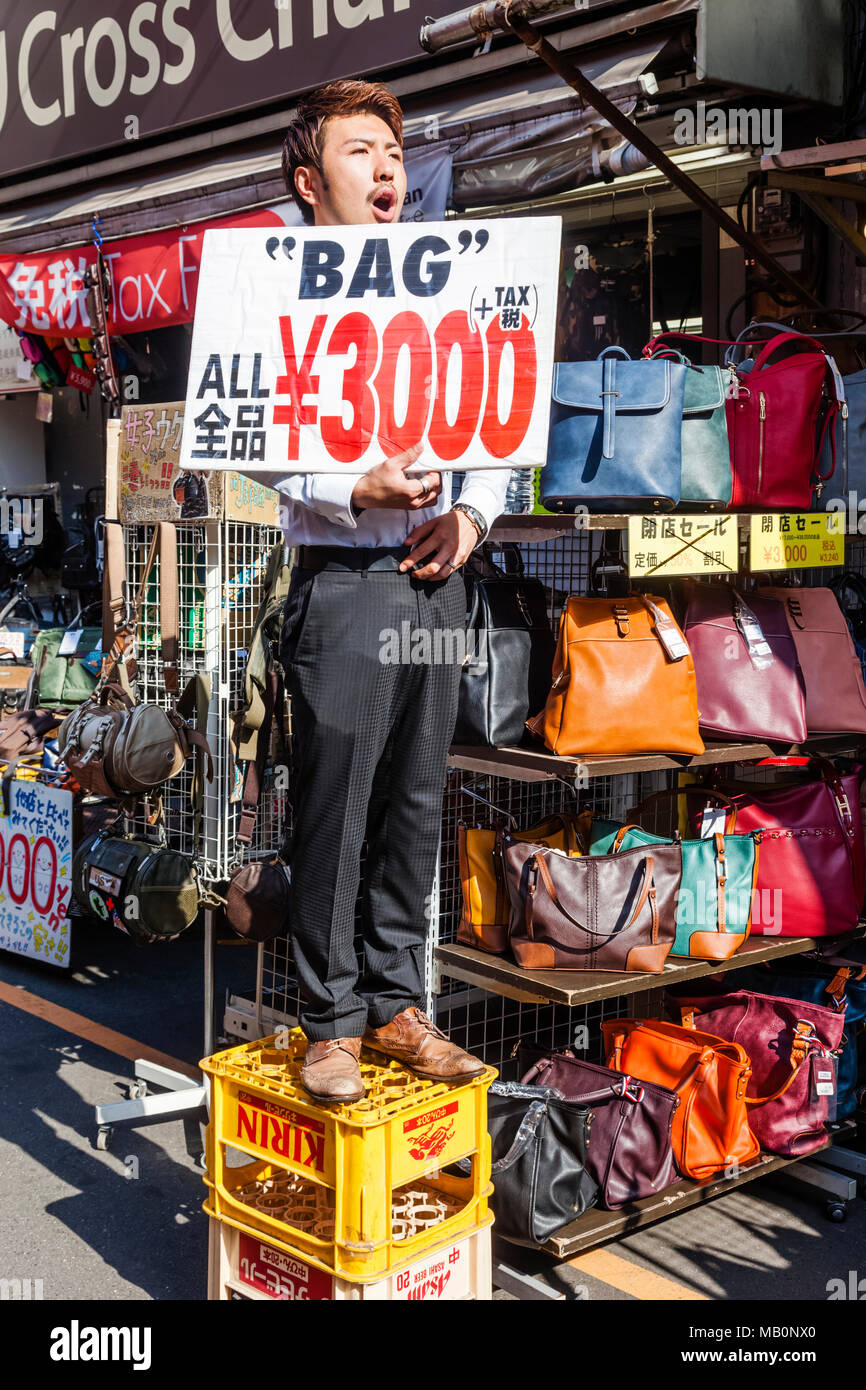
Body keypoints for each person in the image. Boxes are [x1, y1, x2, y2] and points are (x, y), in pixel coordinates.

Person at [263, 80, 509, 1103]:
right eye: (361, 152)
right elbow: (256, 438)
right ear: (308, 180)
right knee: (337, 805)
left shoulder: (448, 282)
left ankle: (396, 1005)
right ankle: (325, 1022)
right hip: (343, 583)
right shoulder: (280, 295)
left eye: (395, 154)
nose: (386, 170)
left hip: (435, 585)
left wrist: (475, 516)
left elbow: (498, 410)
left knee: (414, 799)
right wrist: (344, 485)